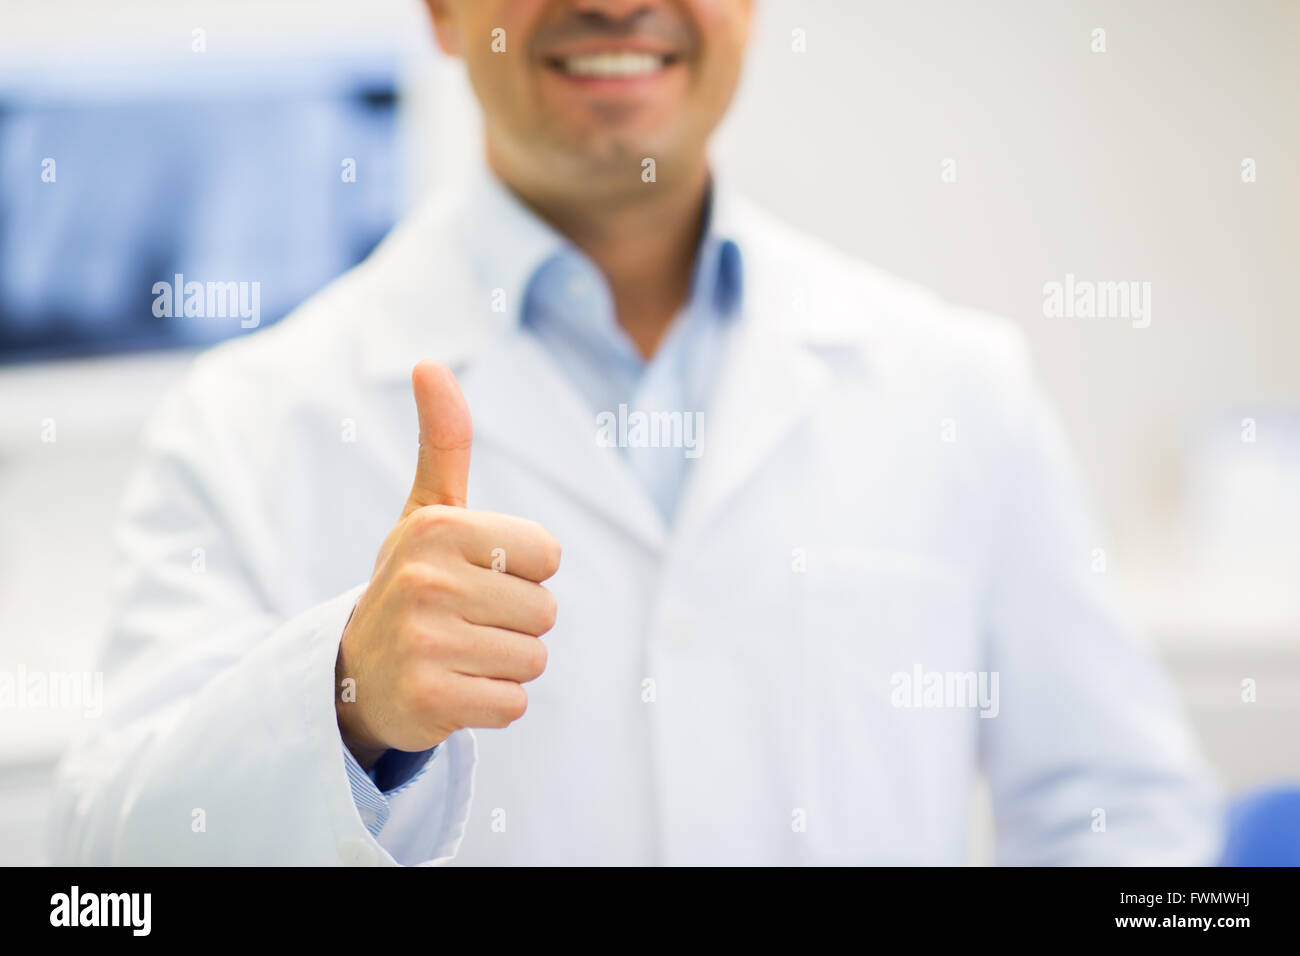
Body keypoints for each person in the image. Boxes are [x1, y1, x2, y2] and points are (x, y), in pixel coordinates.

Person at [49, 0, 1220, 865]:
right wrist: (349, 705)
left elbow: (1123, 811)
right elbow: (100, 872)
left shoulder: (958, 385)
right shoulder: (249, 419)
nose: (614, 4)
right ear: (442, 16)